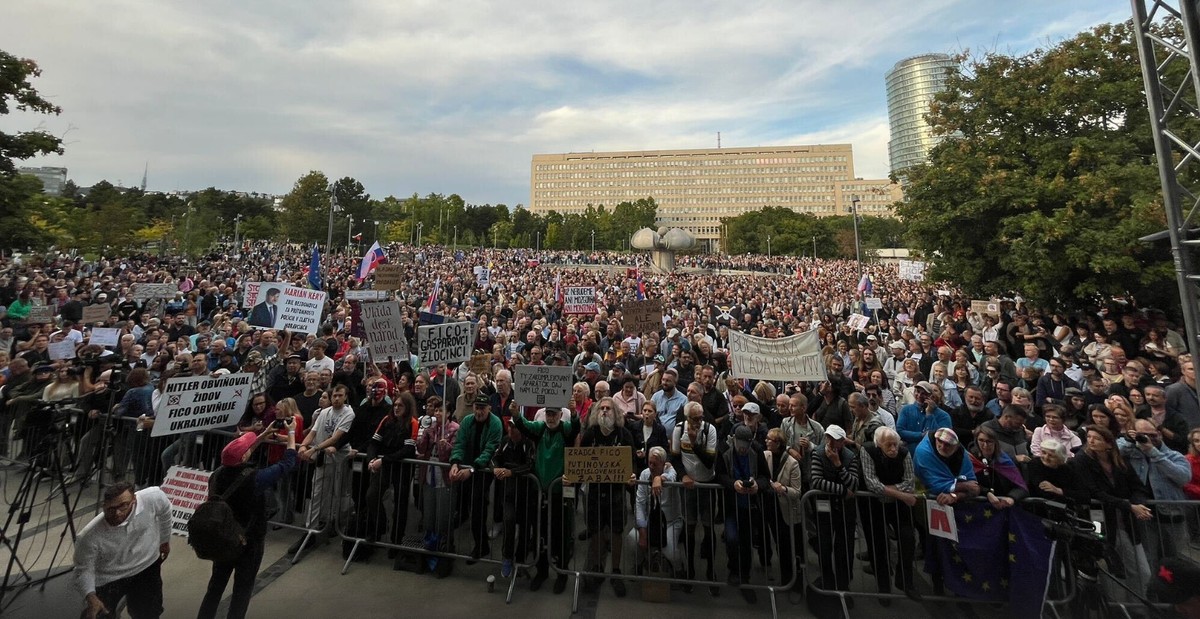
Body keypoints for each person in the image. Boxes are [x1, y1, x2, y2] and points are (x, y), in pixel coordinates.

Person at [197, 421, 298, 619]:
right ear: (244, 457)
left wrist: (263, 435)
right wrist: (292, 432)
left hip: (222, 539)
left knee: (215, 587)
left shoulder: (216, 475)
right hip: (249, 542)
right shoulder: (255, 479)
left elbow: (241, 454)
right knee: (242, 591)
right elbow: (287, 463)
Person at [1069, 425, 1153, 598]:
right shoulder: (1081, 461)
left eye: (1097, 438)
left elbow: (1138, 487)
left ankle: (1140, 605)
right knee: (1110, 566)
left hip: (1126, 521)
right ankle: (1117, 605)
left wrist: (1139, 504)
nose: (1091, 441)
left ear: (1108, 443)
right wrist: (1129, 506)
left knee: (1141, 569)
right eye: (1089, 437)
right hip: (1100, 519)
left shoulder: (1120, 461)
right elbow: (1094, 492)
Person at [73, 481, 172, 619]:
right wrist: (91, 597)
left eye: (123, 506)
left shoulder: (154, 497)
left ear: (134, 500)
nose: (117, 513)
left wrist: (165, 540)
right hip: (109, 578)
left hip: (146, 566)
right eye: (111, 509)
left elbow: (165, 511)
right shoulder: (88, 537)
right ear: (104, 506)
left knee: (149, 613)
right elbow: (83, 569)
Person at [512, 406, 579, 595]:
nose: (550, 417)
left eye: (554, 414)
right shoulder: (540, 428)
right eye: (548, 414)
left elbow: (575, 429)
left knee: (561, 534)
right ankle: (541, 571)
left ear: (561, 415)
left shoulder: (565, 429)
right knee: (540, 533)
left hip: (560, 492)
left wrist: (574, 414)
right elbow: (524, 426)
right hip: (540, 491)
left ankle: (562, 574)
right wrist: (516, 414)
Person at [578, 397, 635, 597]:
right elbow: (580, 460)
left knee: (616, 531)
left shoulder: (624, 434)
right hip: (595, 491)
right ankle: (597, 567)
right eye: (601, 408)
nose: (604, 411)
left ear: (615, 412)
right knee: (596, 531)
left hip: (616, 493)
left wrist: (632, 476)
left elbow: (632, 461)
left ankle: (616, 571)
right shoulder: (590, 434)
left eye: (608, 408)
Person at [1120, 418, 1190, 575]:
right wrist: (1130, 441)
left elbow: (1183, 477)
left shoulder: (1174, 455)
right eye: (1143, 435)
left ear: (1160, 433)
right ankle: (1155, 588)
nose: (1149, 439)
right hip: (1144, 514)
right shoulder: (1131, 454)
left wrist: (1153, 452)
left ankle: (1174, 588)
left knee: (1174, 560)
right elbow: (1114, 454)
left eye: (1152, 435)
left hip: (1172, 515)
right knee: (1149, 559)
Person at [860, 426, 919, 599]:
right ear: (879, 444)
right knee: (878, 545)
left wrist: (887, 490)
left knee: (908, 539)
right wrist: (902, 494)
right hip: (874, 505)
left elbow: (909, 482)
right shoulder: (867, 450)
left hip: (898, 505)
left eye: (895, 444)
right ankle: (883, 586)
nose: (893, 449)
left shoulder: (904, 453)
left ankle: (905, 580)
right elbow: (871, 483)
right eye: (889, 445)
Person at [716, 423, 771, 604]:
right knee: (732, 538)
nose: (742, 449)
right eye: (740, 445)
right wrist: (733, 484)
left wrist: (757, 486)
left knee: (746, 542)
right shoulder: (725, 451)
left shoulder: (756, 451)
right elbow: (720, 475)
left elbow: (765, 476)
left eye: (745, 445)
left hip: (750, 506)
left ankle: (744, 576)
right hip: (732, 505)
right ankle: (734, 568)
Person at [669, 400, 719, 594]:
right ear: (687, 418)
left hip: (707, 483)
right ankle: (689, 570)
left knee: (708, 527)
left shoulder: (710, 430)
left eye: (700, 418)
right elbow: (674, 457)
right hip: (688, 486)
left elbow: (709, 461)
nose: (698, 422)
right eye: (694, 419)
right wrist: (683, 475)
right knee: (689, 527)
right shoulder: (678, 429)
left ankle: (711, 571)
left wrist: (694, 443)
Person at [450, 393, 503, 563]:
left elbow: (490, 450)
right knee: (464, 501)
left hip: (484, 470)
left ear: (489, 408)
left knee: (478, 507)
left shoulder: (495, 423)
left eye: (483, 408)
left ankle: (481, 546)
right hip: (466, 466)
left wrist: (472, 469)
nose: (479, 411)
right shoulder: (467, 421)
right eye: (477, 408)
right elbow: (460, 443)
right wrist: (455, 463)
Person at [808, 424, 859, 594]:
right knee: (824, 546)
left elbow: (854, 484)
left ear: (842, 442)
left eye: (834, 440)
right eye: (828, 438)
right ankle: (827, 580)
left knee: (844, 548)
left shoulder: (850, 456)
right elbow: (817, 481)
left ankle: (844, 584)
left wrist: (838, 465)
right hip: (825, 507)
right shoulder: (818, 453)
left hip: (845, 510)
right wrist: (843, 490)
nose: (829, 442)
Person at [625, 446, 684, 577]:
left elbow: (672, 476)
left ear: (663, 464)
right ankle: (639, 563)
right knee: (633, 539)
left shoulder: (670, 470)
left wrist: (660, 478)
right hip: (649, 520)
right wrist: (642, 530)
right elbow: (640, 503)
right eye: (650, 463)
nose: (651, 467)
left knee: (670, 552)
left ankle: (679, 569)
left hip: (670, 521)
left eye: (655, 464)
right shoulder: (645, 474)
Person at [763, 427, 803, 591]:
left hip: (787, 511)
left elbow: (797, 492)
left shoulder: (792, 463)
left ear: (778, 443)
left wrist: (784, 489)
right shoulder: (766, 456)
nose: (766, 441)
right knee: (781, 546)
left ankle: (797, 582)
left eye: (769, 439)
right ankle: (786, 579)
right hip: (772, 509)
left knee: (792, 547)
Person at [968, 425, 1027, 509]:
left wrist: (1012, 497)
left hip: (1003, 507)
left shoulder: (1004, 461)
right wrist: (986, 492)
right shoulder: (969, 460)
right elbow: (966, 484)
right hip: (977, 508)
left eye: (989, 441)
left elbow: (1021, 487)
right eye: (981, 440)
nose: (985, 445)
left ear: (995, 442)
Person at [896, 381, 951, 453]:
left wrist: (930, 415)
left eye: (924, 393)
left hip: (931, 454)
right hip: (909, 452)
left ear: (931, 396)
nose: (919, 395)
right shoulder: (906, 410)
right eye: (917, 391)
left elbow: (941, 437)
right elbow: (900, 431)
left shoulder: (943, 416)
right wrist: (921, 435)